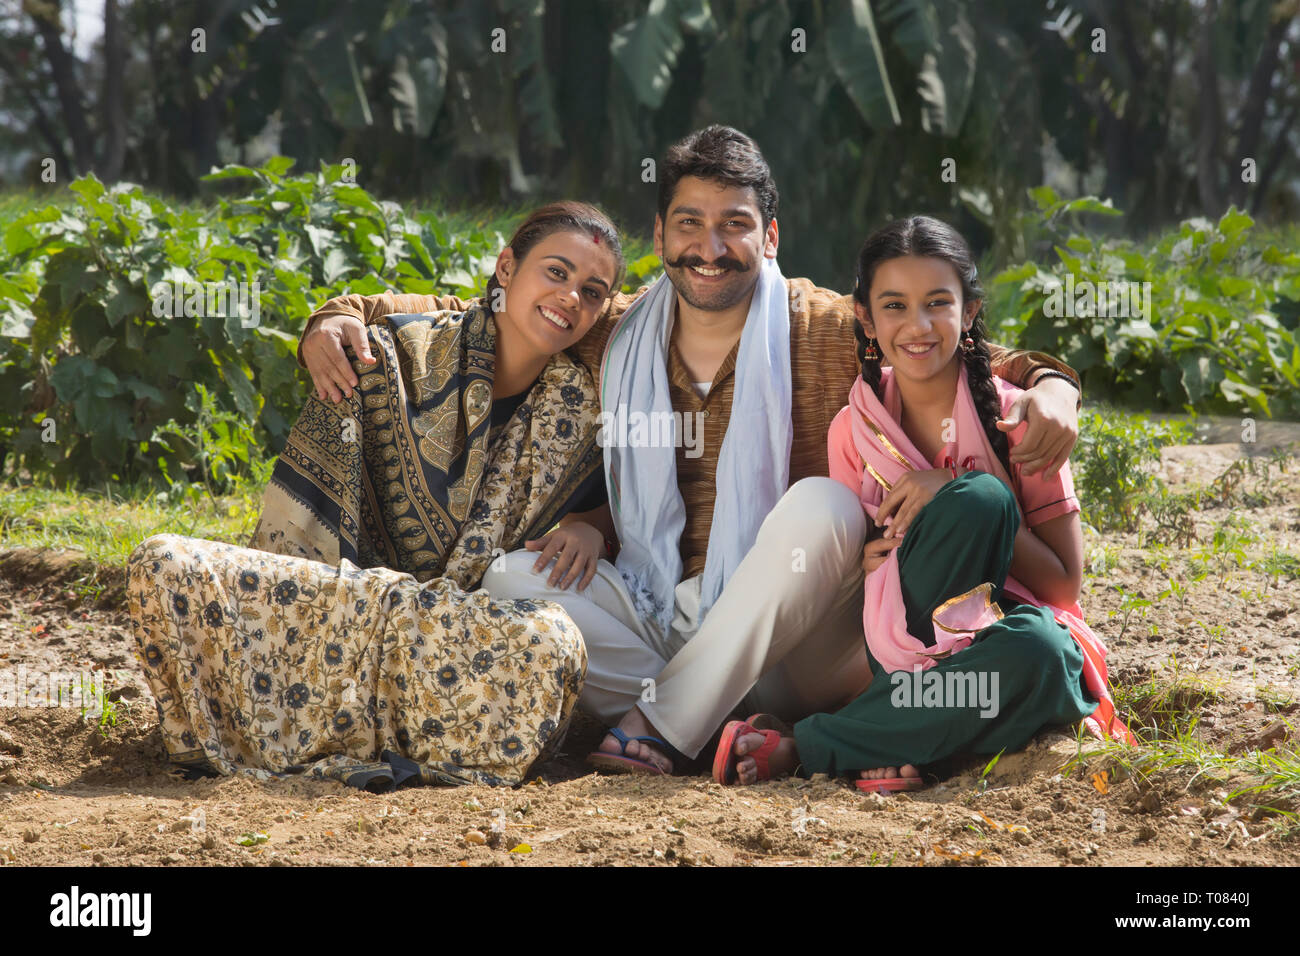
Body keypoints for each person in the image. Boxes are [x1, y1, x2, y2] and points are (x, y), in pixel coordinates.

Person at [297, 127, 1086, 776]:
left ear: (769, 236)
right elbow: (474, 310)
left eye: (735, 224)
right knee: (511, 576)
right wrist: (338, 315)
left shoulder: (824, 325)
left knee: (822, 506)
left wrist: (1055, 387)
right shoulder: (617, 326)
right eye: (689, 223)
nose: (711, 247)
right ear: (660, 236)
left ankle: (667, 726)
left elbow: (956, 346)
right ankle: (706, 713)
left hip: (798, 631)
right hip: (661, 613)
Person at [128, 202, 640, 790]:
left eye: (593, 290)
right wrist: (329, 317)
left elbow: (632, 504)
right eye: (556, 272)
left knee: (548, 643)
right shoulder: (387, 359)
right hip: (324, 622)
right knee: (162, 563)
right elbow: (300, 541)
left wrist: (592, 525)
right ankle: (349, 719)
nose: (572, 297)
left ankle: (341, 728)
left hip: (451, 646)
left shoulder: (585, 411)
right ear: (506, 269)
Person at [715, 215, 1133, 790]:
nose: (917, 326)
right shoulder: (853, 430)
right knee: (979, 510)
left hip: (1001, 634)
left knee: (1044, 653)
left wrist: (955, 494)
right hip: (894, 643)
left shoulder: (1020, 421)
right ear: (865, 316)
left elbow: (1062, 588)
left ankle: (818, 743)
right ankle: (901, 737)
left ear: (971, 312)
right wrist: (873, 558)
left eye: (938, 302)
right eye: (894, 306)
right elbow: (871, 577)